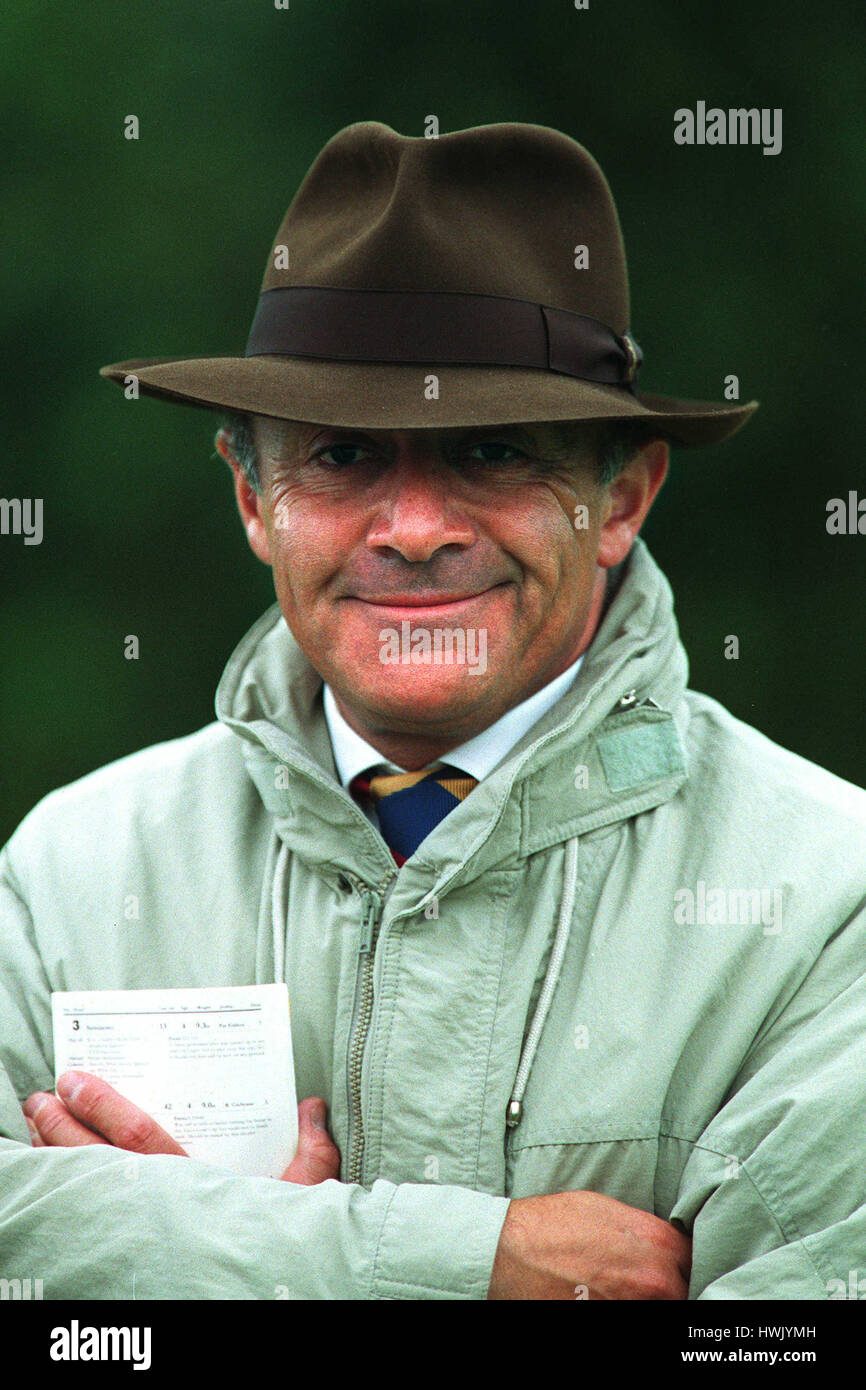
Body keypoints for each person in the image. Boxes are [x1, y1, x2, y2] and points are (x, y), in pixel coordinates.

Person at [2, 121, 864, 1300]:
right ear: (253, 500)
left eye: (494, 453)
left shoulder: (828, 899)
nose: (414, 528)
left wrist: (188, 1257)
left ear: (621, 500)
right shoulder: (69, 872)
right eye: (345, 456)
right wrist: (452, 1264)